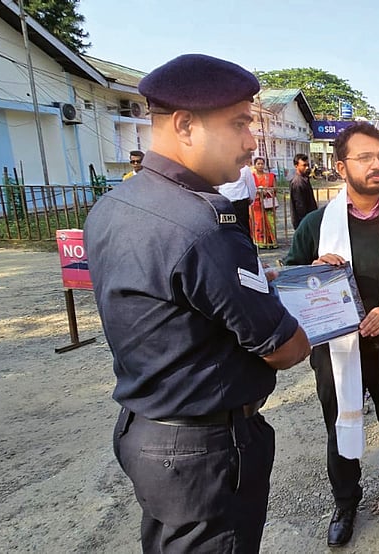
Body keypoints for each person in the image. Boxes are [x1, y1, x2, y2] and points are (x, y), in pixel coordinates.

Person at [84, 54, 311, 552]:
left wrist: (260, 281)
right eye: (239, 124)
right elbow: (285, 348)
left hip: (149, 434)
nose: (252, 141)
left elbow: (179, 299)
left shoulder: (115, 204)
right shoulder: (203, 225)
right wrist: (313, 312)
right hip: (204, 450)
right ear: (185, 125)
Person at [284, 122, 379, 547]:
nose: (377, 165)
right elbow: (289, 281)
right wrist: (313, 271)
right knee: (339, 426)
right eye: (365, 157)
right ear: (340, 166)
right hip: (336, 352)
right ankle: (345, 502)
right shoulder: (317, 224)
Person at [216, 155, 257, 235]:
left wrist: (251, 199)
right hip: (226, 202)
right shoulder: (221, 168)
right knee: (230, 227)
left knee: (241, 226)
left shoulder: (245, 169)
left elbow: (251, 186)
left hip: (238, 202)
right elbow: (251, 186)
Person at [251, 157, 278, 247]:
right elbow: (250, 189)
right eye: (258, 164)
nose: (260, 165)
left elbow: (275, 188)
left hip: (268, 203)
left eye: (262, 164)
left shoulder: (270, 176)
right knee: (258, 222)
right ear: (254, 165)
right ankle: (260, 242)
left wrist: (268, 191)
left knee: (270, 222)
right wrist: (258, 191)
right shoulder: (251, 177)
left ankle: (271, 242)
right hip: (256, 203)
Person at [289, 152, 319, 230]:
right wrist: (305, 222)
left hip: (308, 219)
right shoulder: (297, 182)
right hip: (303, 221)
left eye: (308, 165)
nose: (307, 167)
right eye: (304, 165)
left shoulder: (304, 179)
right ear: (296, 166)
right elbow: (299, 205)